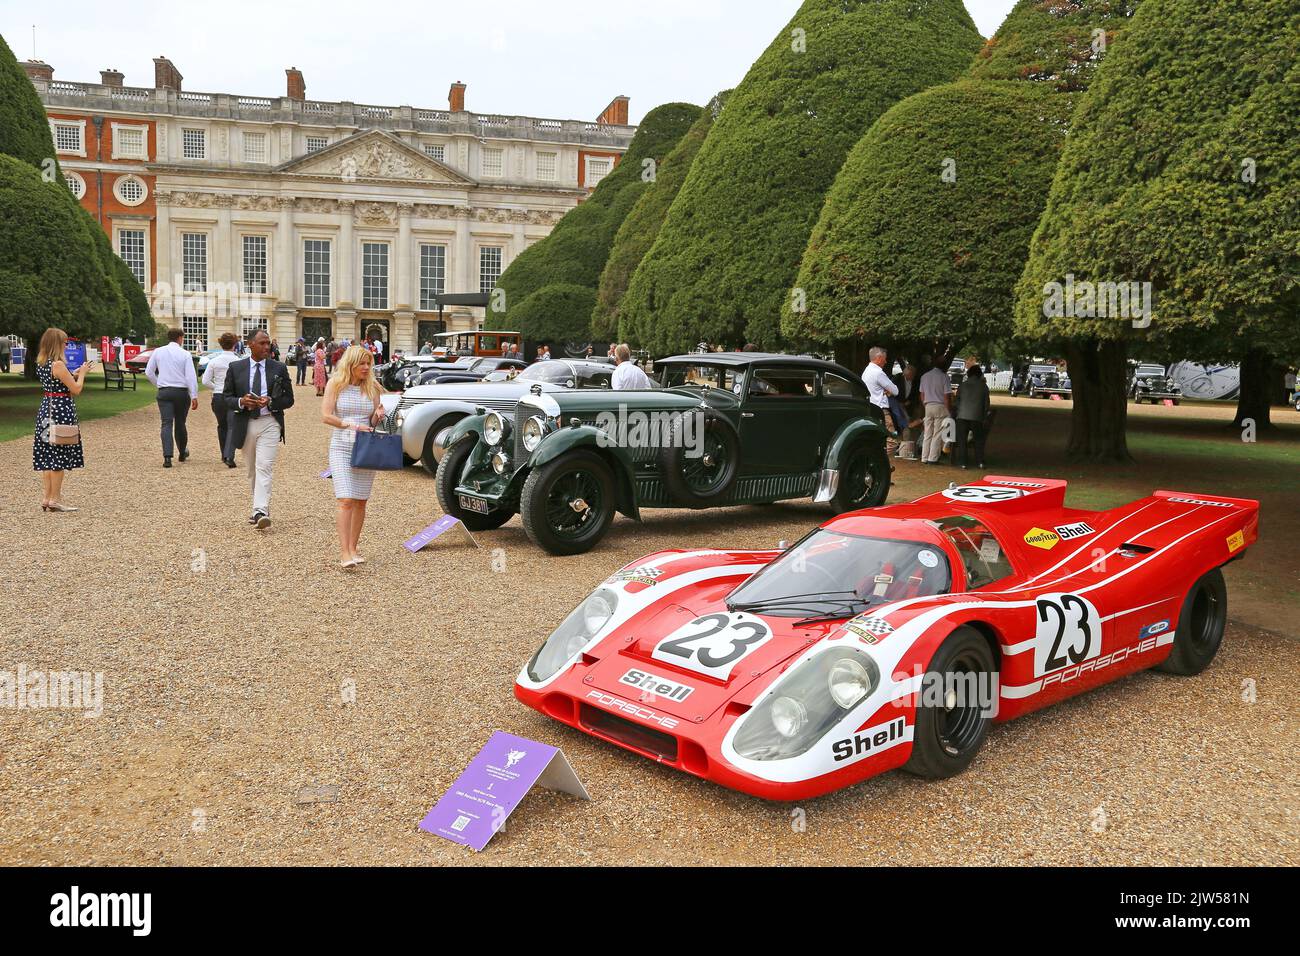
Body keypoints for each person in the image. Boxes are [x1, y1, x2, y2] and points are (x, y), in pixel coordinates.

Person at [221, 330, 294, 530]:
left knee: (264, 466)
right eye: (262, 343)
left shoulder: (279, 368)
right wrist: (241, 402)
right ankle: (258, 508)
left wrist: (271, 401)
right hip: (246, 423)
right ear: (250, 344)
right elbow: (226, 398)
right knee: (252, 469)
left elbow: (289, 399)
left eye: (268, 343)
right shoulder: (236, 368)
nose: (266, 347)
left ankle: (260, 510)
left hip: (270, 422)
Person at [322, 345, 386, 569]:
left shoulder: (373, 387)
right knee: (345, 499)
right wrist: (349, 424)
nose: (367, 367)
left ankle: (354, 548)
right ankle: (344, 553)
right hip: (341, 446)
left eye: (369, 363)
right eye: (362, 363)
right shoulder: (336, 384)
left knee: (360, 500)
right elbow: (326, 416)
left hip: (365, 447)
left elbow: (374, 421)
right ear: (351, 364)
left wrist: (378, 416)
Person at [32, 327, 91, 512]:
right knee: (58, 455)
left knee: (47, 455)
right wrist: (82, 374)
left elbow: (57, 380)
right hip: (60, 410)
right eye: (64, 342)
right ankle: (55, 499)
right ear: (57, 344)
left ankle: (47, 498)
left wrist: (73, 373)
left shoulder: (42, 362)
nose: (67, 345)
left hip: (46, 409)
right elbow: (76, 389)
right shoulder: (58, 364)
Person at [145, 327, 199, 468]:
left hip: (165, 391)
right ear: (180, 338)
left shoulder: (158, 351)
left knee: (166, 423)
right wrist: (194, 395)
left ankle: (167, 457)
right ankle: (182, 452)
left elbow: (149, 372)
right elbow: (190, 376)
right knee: (180, 422)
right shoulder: (185, 354)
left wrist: (159, 385)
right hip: (181, 392)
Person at [201, 332, 240, 467]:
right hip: (233, 397)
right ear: (235, 344)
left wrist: (217, 387)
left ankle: (224, 454)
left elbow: (205, 381)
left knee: (222, 426)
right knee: (232, 426)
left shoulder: (214, 361)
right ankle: (229, 456)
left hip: (218, 396)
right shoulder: (238, 361)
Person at [954, 364, 991, 469]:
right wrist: (983, 416)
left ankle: (963, 462)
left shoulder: (963, 385)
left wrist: (958, 411)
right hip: (976, 416)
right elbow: (986, 404)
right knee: (978, 440)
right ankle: (980, 461)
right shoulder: (983, 387)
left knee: (962, 440)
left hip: (962, 416)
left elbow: (957, 401)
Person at [918, 358, 952, 465]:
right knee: (937, 433)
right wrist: (948, 410)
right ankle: (932, 458)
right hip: (940, 405)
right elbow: (946, 396)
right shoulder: (944, 377)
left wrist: (925, 404)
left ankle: (924, 457)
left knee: (927, 432)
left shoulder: (925, 376)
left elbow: (922, 394)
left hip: (928, 405)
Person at [859, 346, 897, 427]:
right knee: (890, 438)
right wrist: (886, 391)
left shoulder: (866, 371)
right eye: (885, 358)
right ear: (879, 358)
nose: (886, 361)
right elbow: (895, 391)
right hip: (881, 411)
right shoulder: (878, 373)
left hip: (870, 409)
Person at [891, 363, 922, 460]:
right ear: (905, 374)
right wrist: (899, 403)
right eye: (910, 375)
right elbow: (891, 392)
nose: (911, 377)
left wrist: (909, 402)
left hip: (909, 406)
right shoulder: (897, 379)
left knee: (910, 426)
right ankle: (903, 448)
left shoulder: (916, 381)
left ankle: (910, 448)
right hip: (896, 405)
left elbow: (916, 394)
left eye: (913, 375)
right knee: (905, 425)